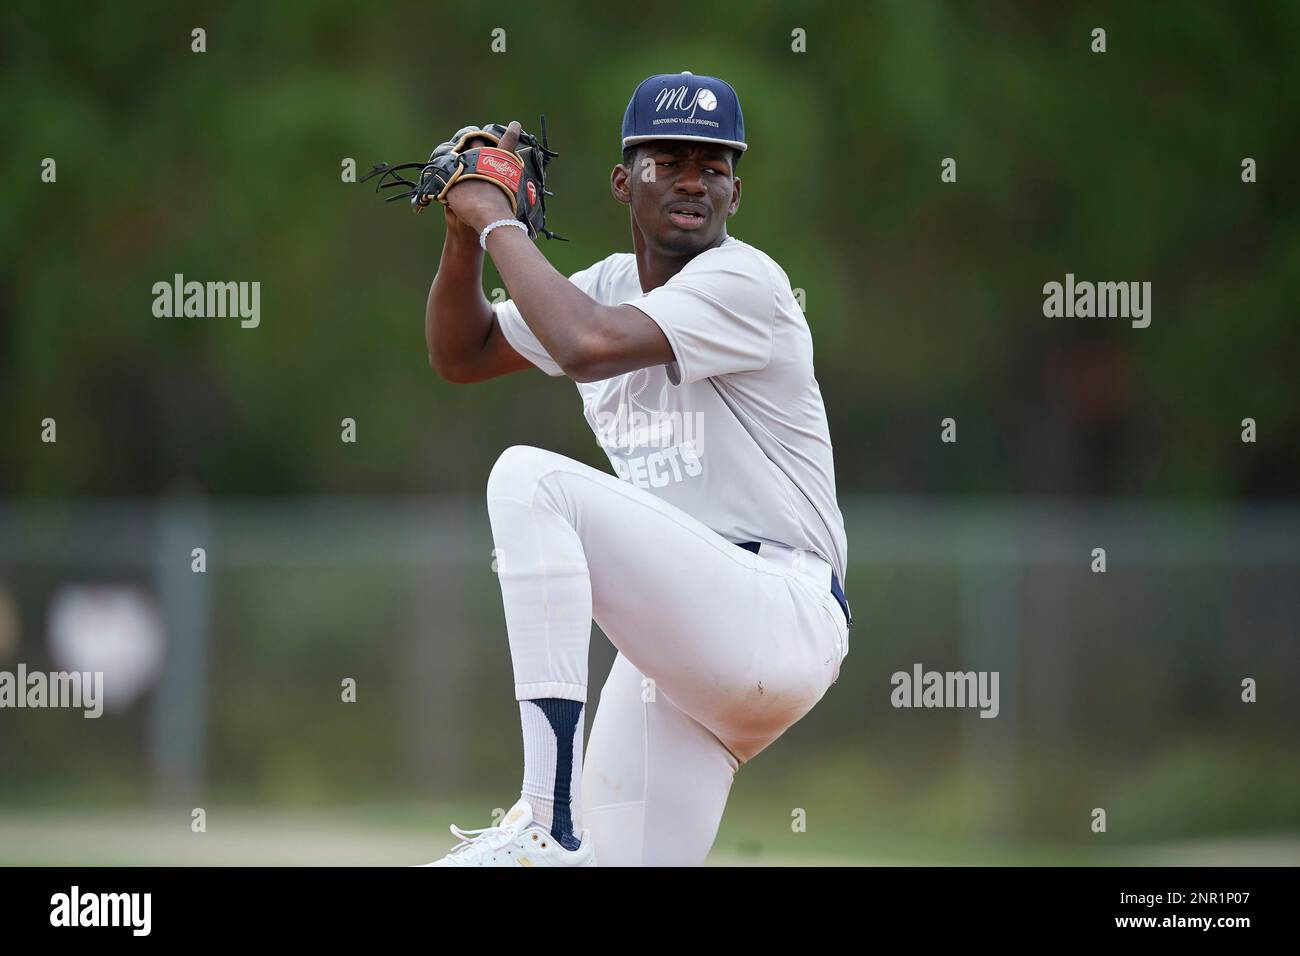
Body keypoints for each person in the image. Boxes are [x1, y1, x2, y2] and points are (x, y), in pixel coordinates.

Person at [420, 72, 850, 866]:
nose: (693, 179)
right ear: (624, 181)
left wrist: (496, 225)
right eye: (668, 160)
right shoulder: (607, 289)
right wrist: (461, 230)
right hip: (683, 654)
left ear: (735, 190)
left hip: (775, 612)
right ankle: (557, 834)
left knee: (529, 479)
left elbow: (585, 344)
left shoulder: (743, 281)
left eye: (714, 165)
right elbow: (463, 352)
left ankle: (545, 813)